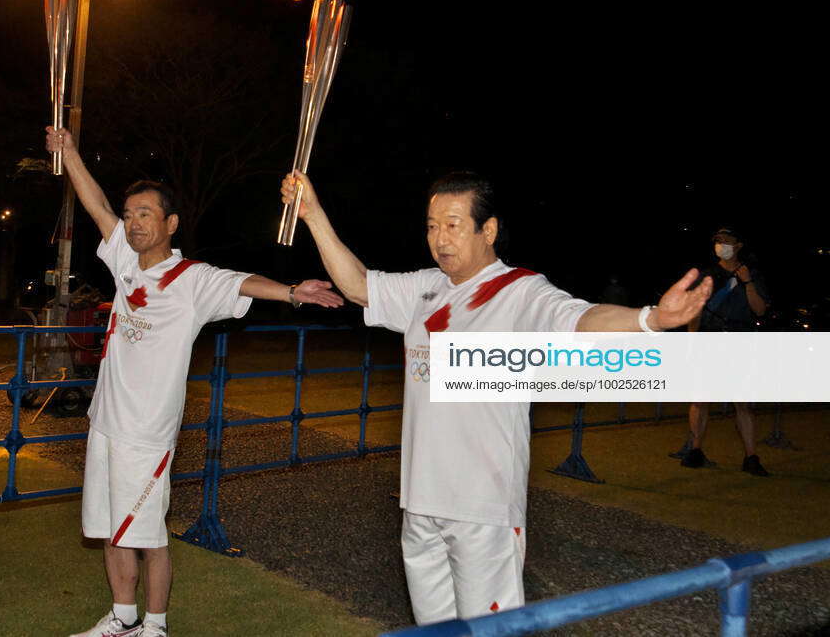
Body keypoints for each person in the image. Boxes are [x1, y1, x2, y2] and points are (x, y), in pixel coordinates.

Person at [280, 169, 711, 625]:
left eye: (453, 224)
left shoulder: (520, 292)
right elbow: (359, 286)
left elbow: (580, 319)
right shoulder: (425, 288)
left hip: (481, 508)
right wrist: (312, 215)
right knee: (436, 633)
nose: (439, 238)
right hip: (420, 501)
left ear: (488, 230)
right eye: (431, 225)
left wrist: (650, 320)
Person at [47, 127, 343, 637]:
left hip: (147, 432)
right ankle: (121, 617)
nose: (134, 223)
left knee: (147, 533)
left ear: (170, 223)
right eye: (131, 213)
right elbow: (95, 205)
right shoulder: (124, 263)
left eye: (146, 214)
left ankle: (155, 627)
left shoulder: (192, 280)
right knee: (110, 529)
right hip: (106, 424)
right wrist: (70, 153)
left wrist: (293, 291)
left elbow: (243, 282)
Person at [681, 226, 771, 476]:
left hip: (739, 341)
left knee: (742, 402)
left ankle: (751, 457)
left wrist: (747, 281)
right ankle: (695, 450)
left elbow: (760, 309)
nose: (721, 244)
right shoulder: (707, 274)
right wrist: (690, 342)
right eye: (718, 241)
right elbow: (695, 310)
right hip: (709, 339)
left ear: (739, 244)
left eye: (726, 240)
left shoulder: (751, 273)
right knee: (700, 397)